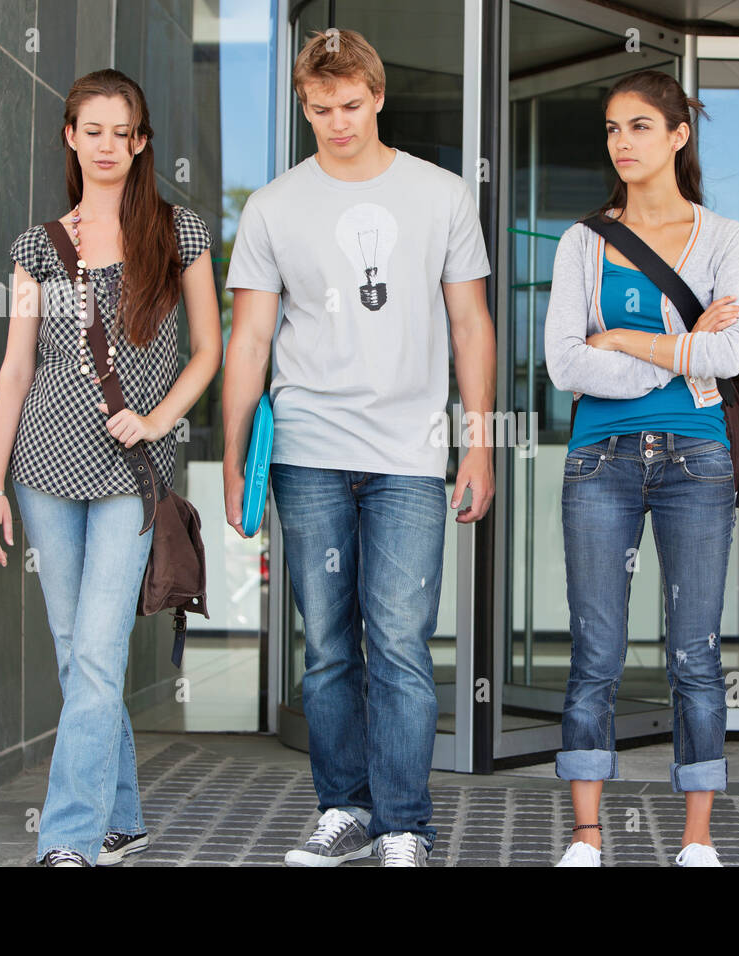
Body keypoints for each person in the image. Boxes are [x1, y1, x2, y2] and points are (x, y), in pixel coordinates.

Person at [222, 29, 495, 867]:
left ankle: (405, 825)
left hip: (411, 455)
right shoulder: (272, 205)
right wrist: (235, 460)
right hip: (307, 452)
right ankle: (344, 810)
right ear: (304, 107)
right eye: (319, 109)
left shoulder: (441, 194)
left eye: (350, 105)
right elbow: (250, 338)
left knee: (402, 645)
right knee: (329, 646)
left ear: (377, 96)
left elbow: (470, 323)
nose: (337, 122)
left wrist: (477, 442)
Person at [0, 69, 221, 867]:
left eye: (125, 133)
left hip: (130, 471)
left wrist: (156, 419)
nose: (109, 146)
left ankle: (67, 840)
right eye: (94, 131)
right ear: (71, 137)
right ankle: (121, 818)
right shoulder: (36, 248)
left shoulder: (178, 231)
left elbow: (209, 351)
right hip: (43, 467)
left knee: (96, 650)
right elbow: (16, 372)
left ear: (142, 141)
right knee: (73, 645)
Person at [544, 69, 739, 867]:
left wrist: (626, 343)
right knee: (596, 650)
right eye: (610, 128)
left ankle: (696, 838)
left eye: (639, 126)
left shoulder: (724, 237)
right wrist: (677, 353)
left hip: (697, 458)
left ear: (677, 135)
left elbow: (735, 351)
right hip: (599, 458)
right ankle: (588, 835)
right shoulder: (581, 241)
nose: (622, 142)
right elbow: (564, 363)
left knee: (695, 651)